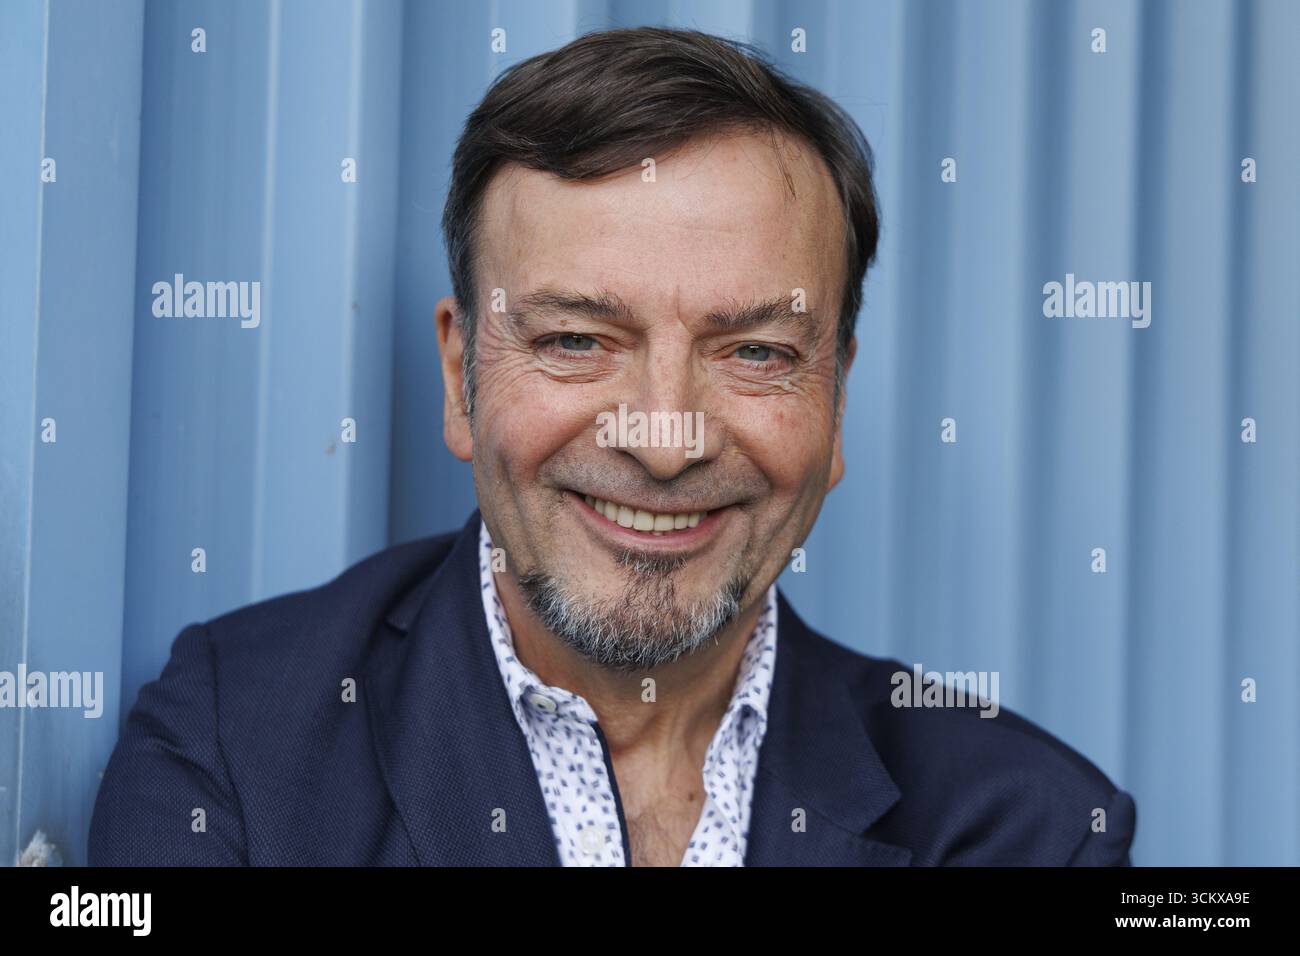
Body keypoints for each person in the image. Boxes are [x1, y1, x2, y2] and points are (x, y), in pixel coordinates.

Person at [90, 26, 1135, 867]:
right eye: (577, 340)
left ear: (836, 399)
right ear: (461, 376)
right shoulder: (233, 741)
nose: (664, 437)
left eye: (758, 352)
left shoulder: (1027, 827)